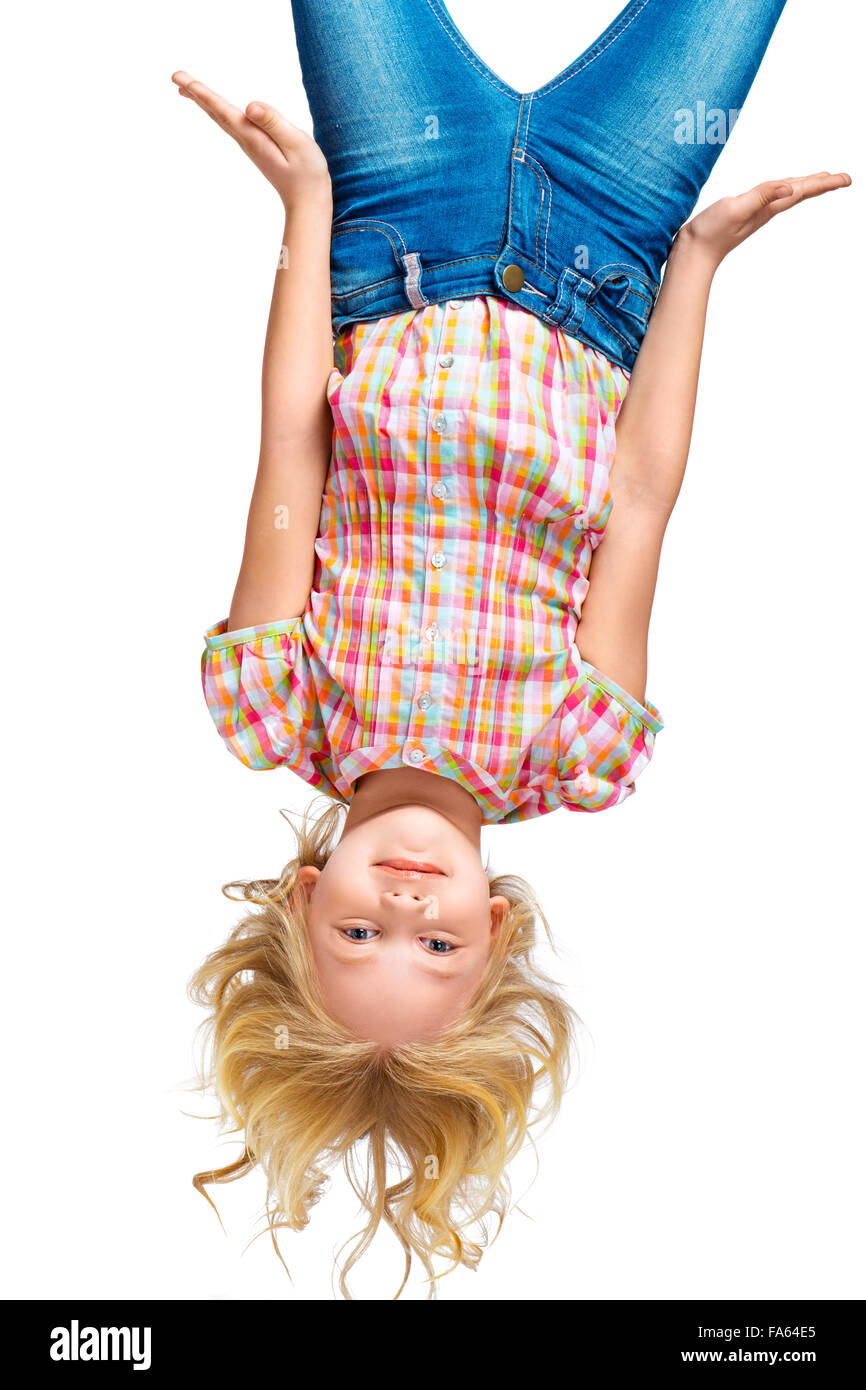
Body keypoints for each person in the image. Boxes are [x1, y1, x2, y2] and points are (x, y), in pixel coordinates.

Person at [173, 0, 850, 1297]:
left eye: (361, 933)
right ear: (492, 932)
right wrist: (699, 259)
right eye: (434, 947)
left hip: (396, 212)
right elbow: (643, 494)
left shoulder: (275, 701)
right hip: (609, 238)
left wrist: (304, 213)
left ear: (305, 902)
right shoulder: (575, 745)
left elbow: (290, 442)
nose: (407, 909)